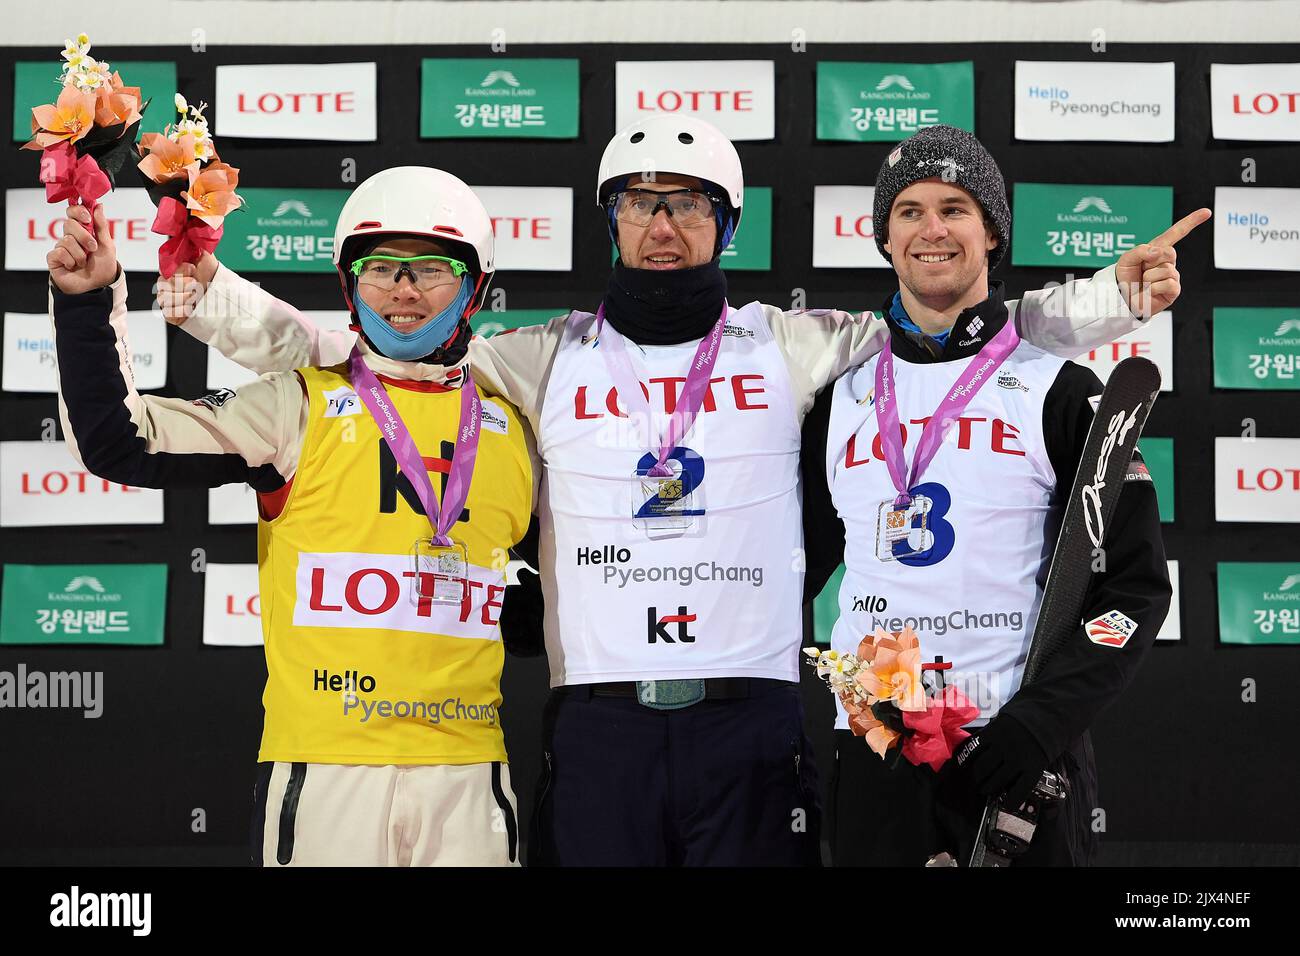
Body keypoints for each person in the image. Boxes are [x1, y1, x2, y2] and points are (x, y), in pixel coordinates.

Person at [161, 116, 1177, 866]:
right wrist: (209, 300)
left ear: (724, 223)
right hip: (601, 725)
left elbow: (955, 326)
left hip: (755, 722)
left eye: (688, 202)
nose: (662, 223)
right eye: (640, 200)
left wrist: (1103, 302)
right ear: (610, 217)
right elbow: (366, 344)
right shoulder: (538, 354)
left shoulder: (794, 344)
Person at [47, 167, 536, 866]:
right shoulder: (295, 405)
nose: (403, 290)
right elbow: (121, 442)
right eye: (380, 269)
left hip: (469, 776)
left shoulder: (515, 428)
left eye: (432, 268)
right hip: (324, 770)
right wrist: (89, 302)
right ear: (348, 284)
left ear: (474, 286)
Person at [800, 125, 1196, 865]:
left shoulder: (1062, 389)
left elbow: (1135, 590)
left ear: (992, 232)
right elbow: (786, 566)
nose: (932, 229)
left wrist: (1040, 723)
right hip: (876, 757)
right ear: (884, 237)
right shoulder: (840, 396)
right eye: (909, 211)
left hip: (1017, 761)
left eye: (955, 208)